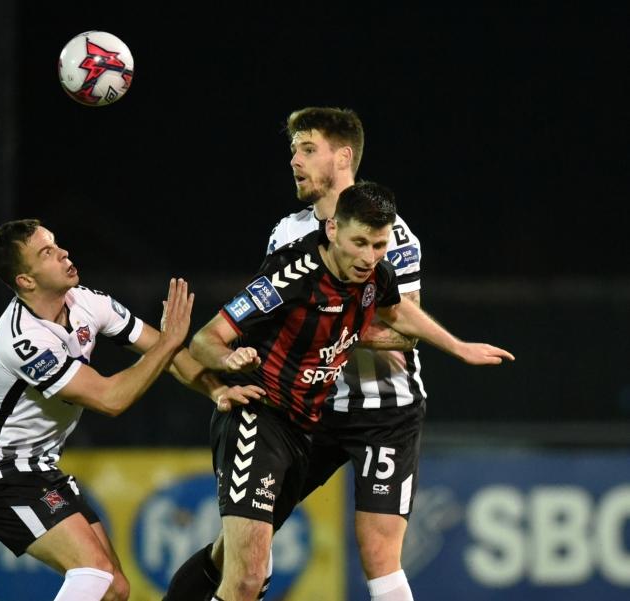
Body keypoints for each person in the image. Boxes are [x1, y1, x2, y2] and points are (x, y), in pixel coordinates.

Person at [166, 182, 513, 601]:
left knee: (238, 567)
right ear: (332, 230)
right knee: (246, 578)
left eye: (379, 245)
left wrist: (457, 346)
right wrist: (227, 360)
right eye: (360, 243)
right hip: (258, 417)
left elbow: (398, 310)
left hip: (301, 430)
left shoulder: (376, 274)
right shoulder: (288, 276)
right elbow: (206, 338)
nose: (369, 257)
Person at [165, 107, 426, 601]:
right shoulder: (288, 233)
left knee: (380, 557)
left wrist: (329, 330)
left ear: (343, 156)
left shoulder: (390, 235)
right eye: (293, 150)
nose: (294, 160)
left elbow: (403, 333)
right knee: (237, 553)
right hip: (303, 413)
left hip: (383, 412)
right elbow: (268, 319)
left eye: (307, 149)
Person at [0, 219, 264, 601]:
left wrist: (218, 391)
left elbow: (168, 354)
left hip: (38, 470)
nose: (64, 253)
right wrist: (168, 343)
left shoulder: (87, 302)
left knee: (115, 587)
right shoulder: (21, 340)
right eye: (46, 253)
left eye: (57, 244)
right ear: (26, 281)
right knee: (94, 573)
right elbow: (110, 398)